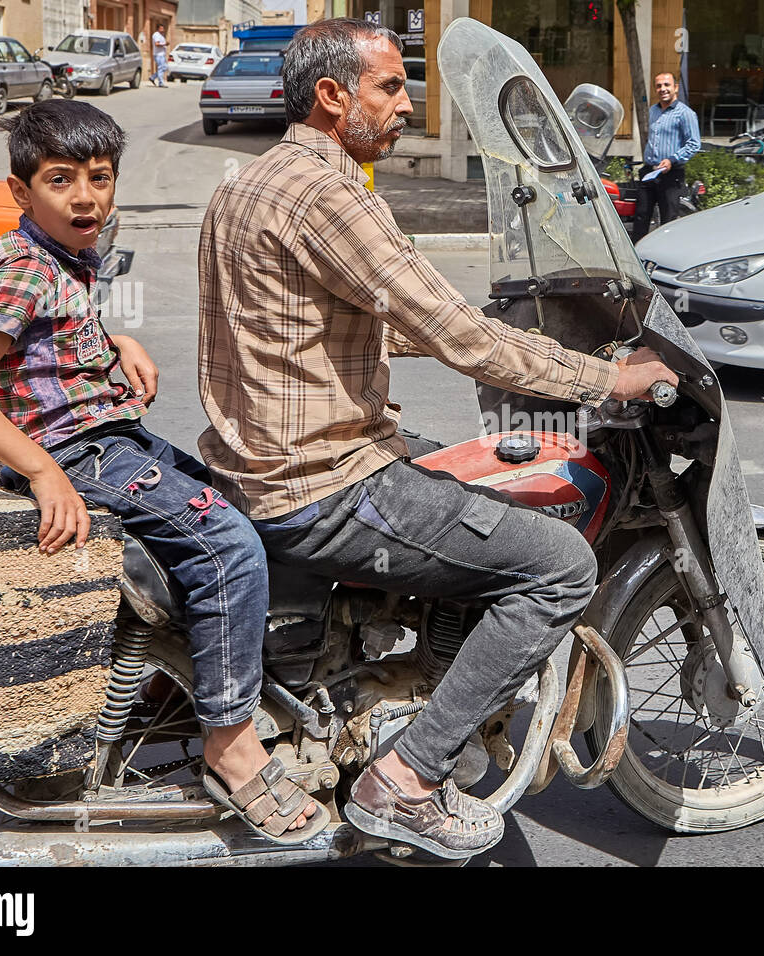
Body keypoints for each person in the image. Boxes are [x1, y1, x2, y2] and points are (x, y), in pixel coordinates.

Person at [197, 18, 677, 860]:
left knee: (470, 473)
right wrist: (604, 377)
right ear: (333, 95)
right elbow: (453, 331)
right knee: (560, 565)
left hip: (260, 462)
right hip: (321, 481)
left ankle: (411, 681)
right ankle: (407, 779)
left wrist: (498, 330)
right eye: (389, 86)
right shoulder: (331, 193)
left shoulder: (254, 182)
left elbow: (325, 325)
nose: (407, 103)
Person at [0, 100, 324, 846]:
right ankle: (230, 747)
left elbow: (53, 331)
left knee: (242, 495)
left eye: (100, 177)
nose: (87, 196)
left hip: (109, 435)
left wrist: (117, 339)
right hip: (79, 454)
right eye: (61, 180)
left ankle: (174, 680)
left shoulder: (61, 255)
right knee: (228, 546)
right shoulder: (23, 268)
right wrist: (45, 474)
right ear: (22, 193)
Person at [632, 71, 701, 242]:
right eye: (659, 86)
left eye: (667, 85)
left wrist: (672, 159)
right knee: (640, 217)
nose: (663, 89)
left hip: (671, 176)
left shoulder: (685, 114)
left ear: (675, 88)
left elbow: (694, 143)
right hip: (649, 172)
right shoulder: (653, 111)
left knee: (667, 222)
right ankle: (636, 259)